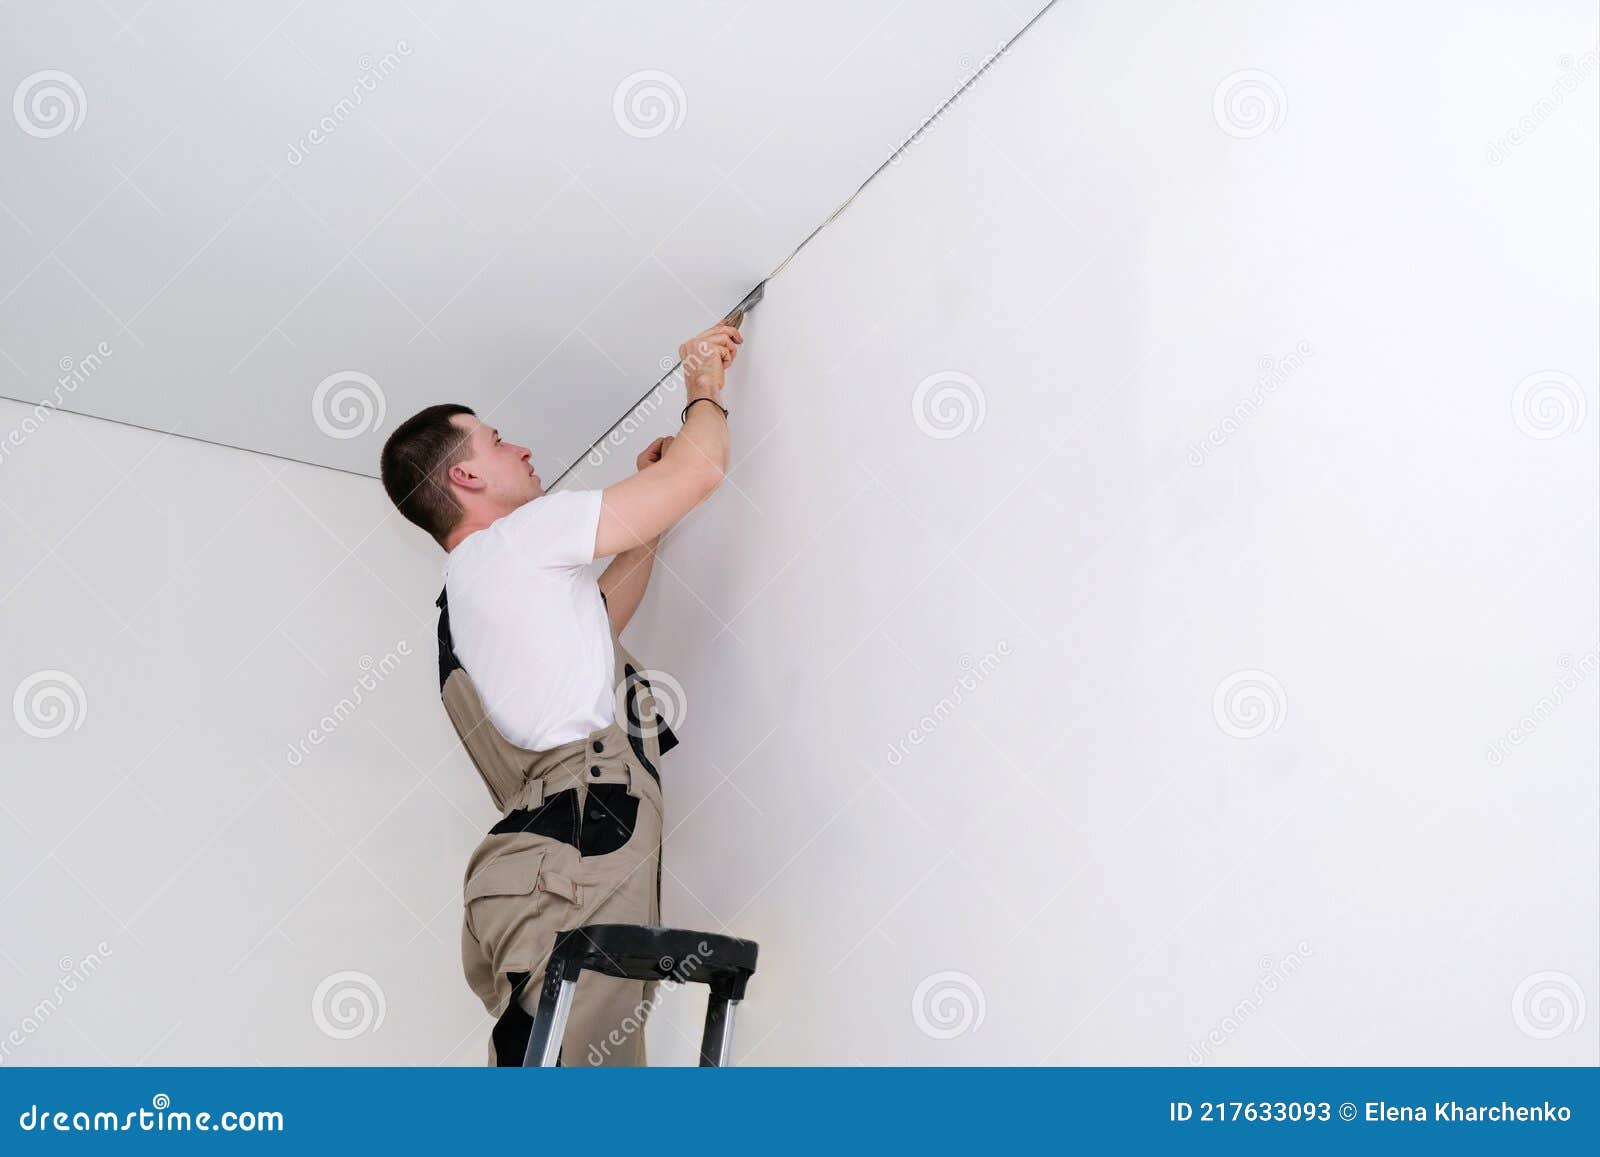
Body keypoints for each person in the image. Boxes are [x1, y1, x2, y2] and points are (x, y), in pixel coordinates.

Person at [378, 322, 742, 1064]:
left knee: (570, 1078)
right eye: (498, 440)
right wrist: (702, 387)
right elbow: (701, 470)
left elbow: (594, 623)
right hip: (578, 841)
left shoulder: (472, 590)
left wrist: (648, 524)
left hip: (543, 857)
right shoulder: (518, 539)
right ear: (466, 479)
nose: (521, 449)